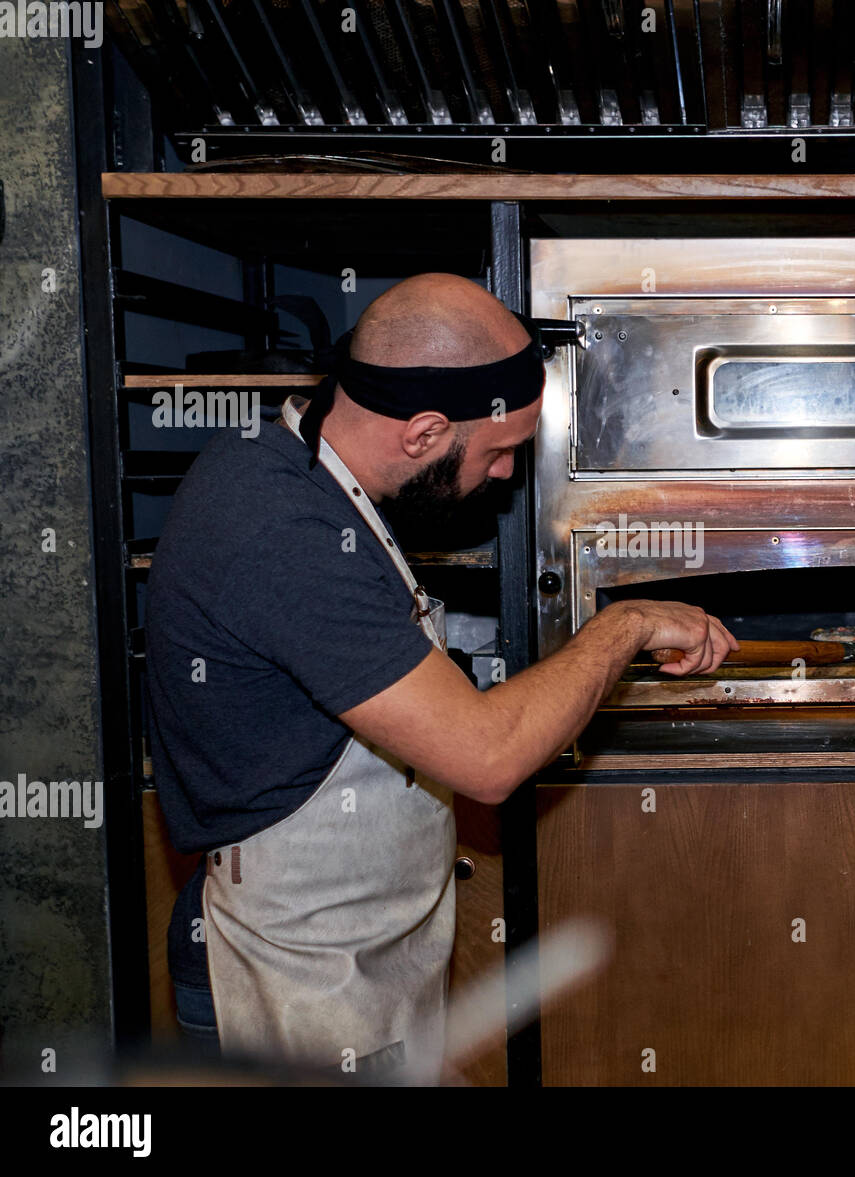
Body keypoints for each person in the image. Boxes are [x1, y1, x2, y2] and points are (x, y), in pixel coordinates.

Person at [144, 273, 737, 1080]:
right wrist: (622, 626)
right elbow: (486, 759)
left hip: (354, 972)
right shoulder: (281, 528)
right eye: (498, 453)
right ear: (423, 431)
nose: (503, 477)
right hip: (287, 978)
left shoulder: (309, 465)